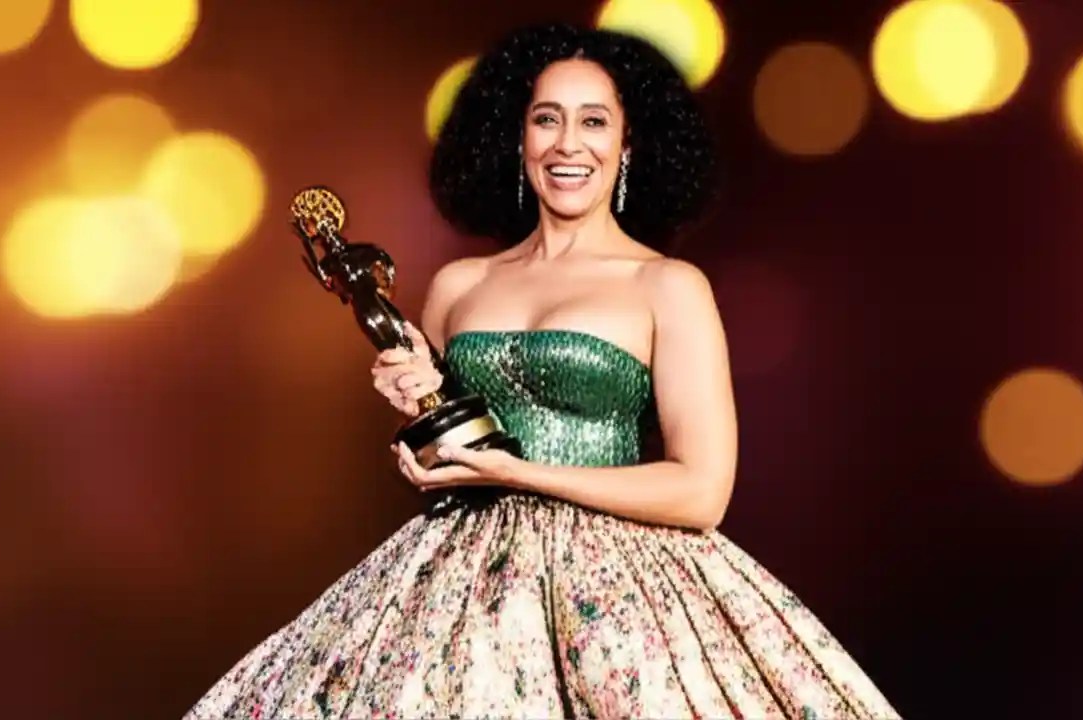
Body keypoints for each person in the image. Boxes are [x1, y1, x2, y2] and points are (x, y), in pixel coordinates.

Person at [185, 22, 901, 719]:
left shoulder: (668, 286)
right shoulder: (458, 285)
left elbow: (702, 491)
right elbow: (439, 448)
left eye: (594, 121)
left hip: (621, 602)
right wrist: (411, 425)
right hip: (461, 594)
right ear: (518, 138)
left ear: (628, 146)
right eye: (546, 119)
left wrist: (519, 474)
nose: (568, 144)